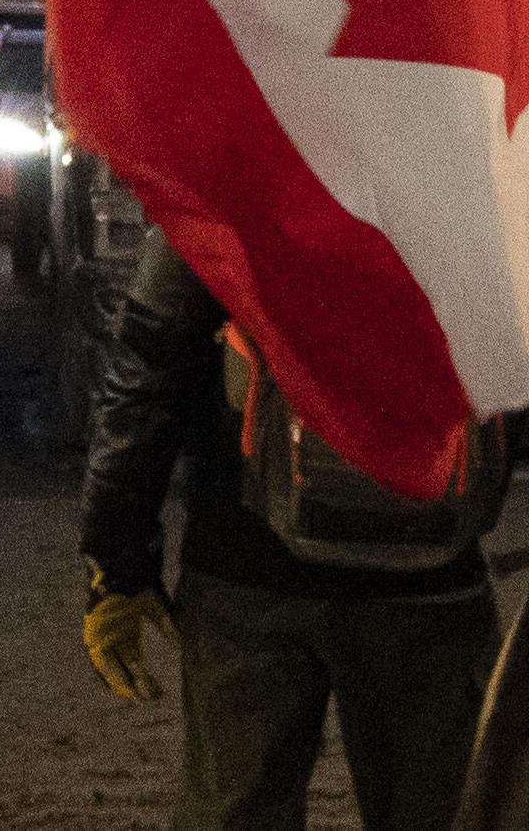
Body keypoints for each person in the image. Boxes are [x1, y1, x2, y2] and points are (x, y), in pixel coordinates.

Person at [78, 225, 500, 831]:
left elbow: (145, 369)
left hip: (247, 566)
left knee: (237, 813)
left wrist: (116, 566)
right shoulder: (483, 164)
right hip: (432, 574)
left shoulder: (231, 158)